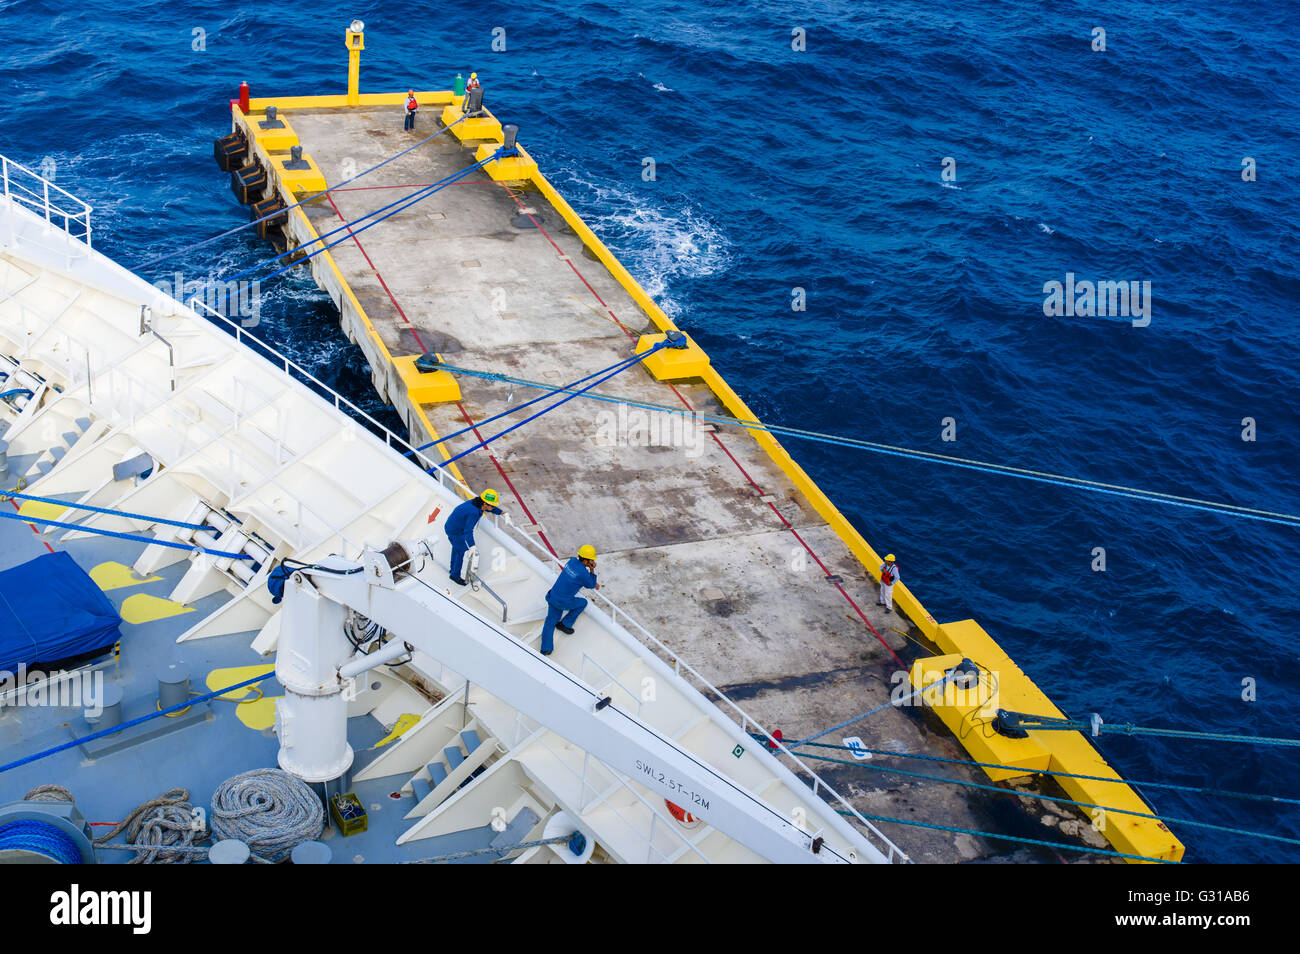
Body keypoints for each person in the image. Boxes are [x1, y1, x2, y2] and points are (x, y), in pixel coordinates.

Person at [539, 545, 599, 655]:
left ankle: (545, 648)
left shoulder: (571, 562)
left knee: (550, 622)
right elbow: (591, 584)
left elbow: (577, 575)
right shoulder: (584, 573)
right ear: (586, 560)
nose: (593, 561)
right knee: (583, 602)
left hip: (552, 596)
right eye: (591, 560)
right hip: (562, 602)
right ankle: (566, 624)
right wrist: (592, 569)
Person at [445, 489, 504, 585]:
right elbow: (468, 531)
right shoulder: (474, 512)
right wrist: (472, 546)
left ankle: (452, 570)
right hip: (455, 530)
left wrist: (502, 513)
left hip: (452, 525)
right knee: (461, 549)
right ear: (485, 504)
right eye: (492, 505)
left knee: (457, 548)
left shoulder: (476, 502)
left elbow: (491, 509)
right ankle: (454, 575)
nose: (493, 507)